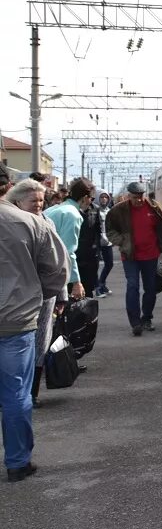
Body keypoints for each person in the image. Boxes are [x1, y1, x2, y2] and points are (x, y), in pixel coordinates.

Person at [0, 179, 68, 480]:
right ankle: (17, 463)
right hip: (17, 319)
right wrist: (39, 294)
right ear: (8, 186)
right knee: (16, 394)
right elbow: (56, 270)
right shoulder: (31, 222)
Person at [105, 181, 162, 336]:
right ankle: (135, 322)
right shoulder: (119, 210)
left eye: (141, 196)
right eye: (135, 197)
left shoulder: (154, 208)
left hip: (151, 255)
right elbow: (110, 230)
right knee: (133, 286)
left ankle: (146, 318)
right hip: (130, 255)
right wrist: (121, 241)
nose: (139, 200)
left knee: (150, 288)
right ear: (129, 196)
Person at [43, 177, 92, 304]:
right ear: (85, 197)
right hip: (50, 270)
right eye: (91, 198)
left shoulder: (56, 208)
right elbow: (67, 251)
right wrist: (76, 282)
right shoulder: (72, 215)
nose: (91, 201)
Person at [76, 190, 103, 297]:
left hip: (91, 252)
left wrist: (97, 247)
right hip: (77, 250)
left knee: (89, 284)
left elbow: (98, 229)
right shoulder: (73, 209)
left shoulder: (95, 209)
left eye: (92, 198)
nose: (90, 200)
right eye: (89, 197)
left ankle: (88, 306)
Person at [95, 192, 115, 297]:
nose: (104, 199)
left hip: (107, 241)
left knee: (109, 263)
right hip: (97, 241)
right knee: (95, 265)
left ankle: (101, 284)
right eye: (101, 197)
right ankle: (98, 287)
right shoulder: (94, 210)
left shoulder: (109, 211)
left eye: (106, 197)